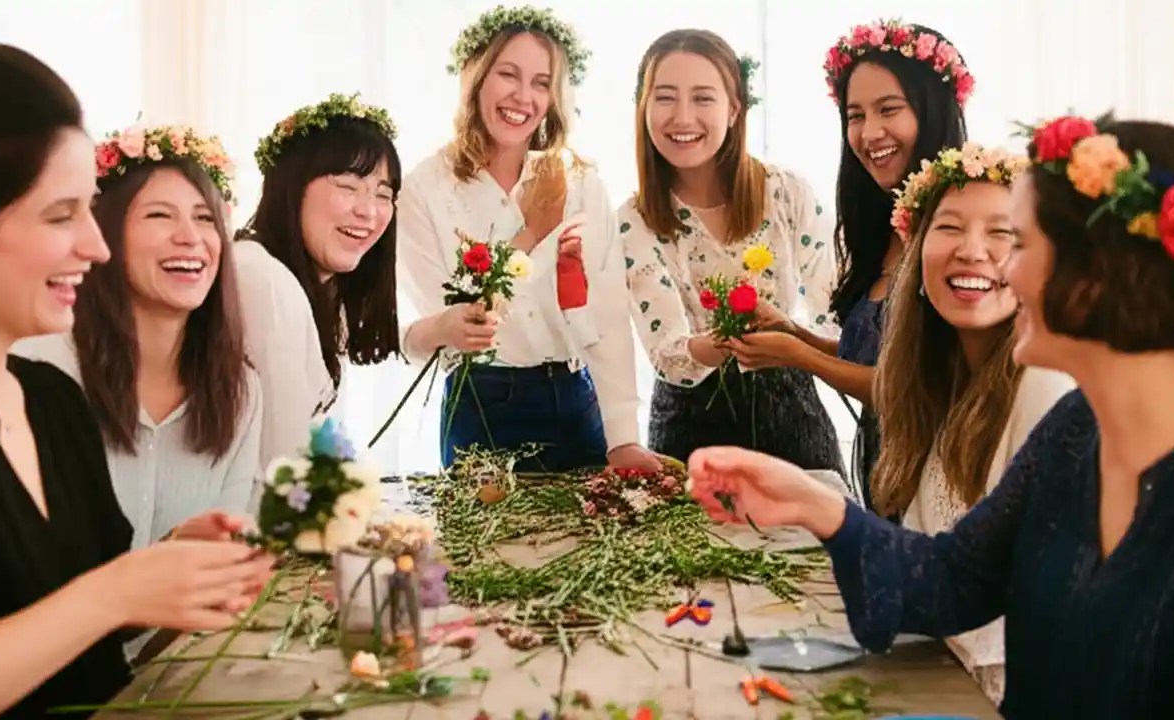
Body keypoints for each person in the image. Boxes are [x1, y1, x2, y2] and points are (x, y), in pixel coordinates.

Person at [687, 116, 1174, 718]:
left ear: (1097, 270)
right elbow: (955, 577)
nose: (1002, 269)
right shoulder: (1074, 431)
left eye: (1021, 243)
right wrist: (810, 502)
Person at [0, 43, 272, 719]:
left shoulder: (51, 403)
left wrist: (167, 571)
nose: (96, 246)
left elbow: (88, 636)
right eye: (60, 216)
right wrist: (115, 591)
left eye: (90, 210)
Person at [398, 5, 658, 472]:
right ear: (476, 76)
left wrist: (622, 437)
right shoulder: (424, 189)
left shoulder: (580, 182)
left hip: (577, 399)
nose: (523, 96)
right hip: (481, 405)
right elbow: (460, 326)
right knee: (483, 547)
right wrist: (531, 232)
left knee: (591, 543)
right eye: (508, 74)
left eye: (541, 82)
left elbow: (610, 317)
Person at [725, 19, 972, 504]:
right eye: (855, 115)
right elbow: (877, 355)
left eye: (889, 109)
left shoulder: (957, 226)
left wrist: (798, 357)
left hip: (939, 480)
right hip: (886, 471)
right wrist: (792, 332)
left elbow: (918, 388)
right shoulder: (887, 224)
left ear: (932, 107)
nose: (869, 132)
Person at [872, 143, 1074, 702]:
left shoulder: (1046, 384)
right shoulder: (930, 382)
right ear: (916, 254)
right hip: (933, 674)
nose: (972, 251)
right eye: (949, 227)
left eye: (1003, 233)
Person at [17, 124, 262, 549]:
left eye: (205, 218)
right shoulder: (40, 369)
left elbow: (222, 550)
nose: (190, 237)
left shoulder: (239, 390)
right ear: (104, 235)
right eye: (160, 215)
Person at [620, 28, 843, 475]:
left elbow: (834, 313)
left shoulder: (786, 193)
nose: (683, 117)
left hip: (792, 417)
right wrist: (725, 340)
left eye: (703, 98)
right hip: (689, 428)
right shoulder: (633, 220)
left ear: (734, 109)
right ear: (644, 108)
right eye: (665, 97)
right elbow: (670, 357)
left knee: (813, 544)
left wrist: (791, 337)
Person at [238, 92, 401, 465]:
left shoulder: (323, 292)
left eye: (382, 194)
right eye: (347, 188)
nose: (368, 212)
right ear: (292, 187)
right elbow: (283, 464)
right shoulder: (261, 278)